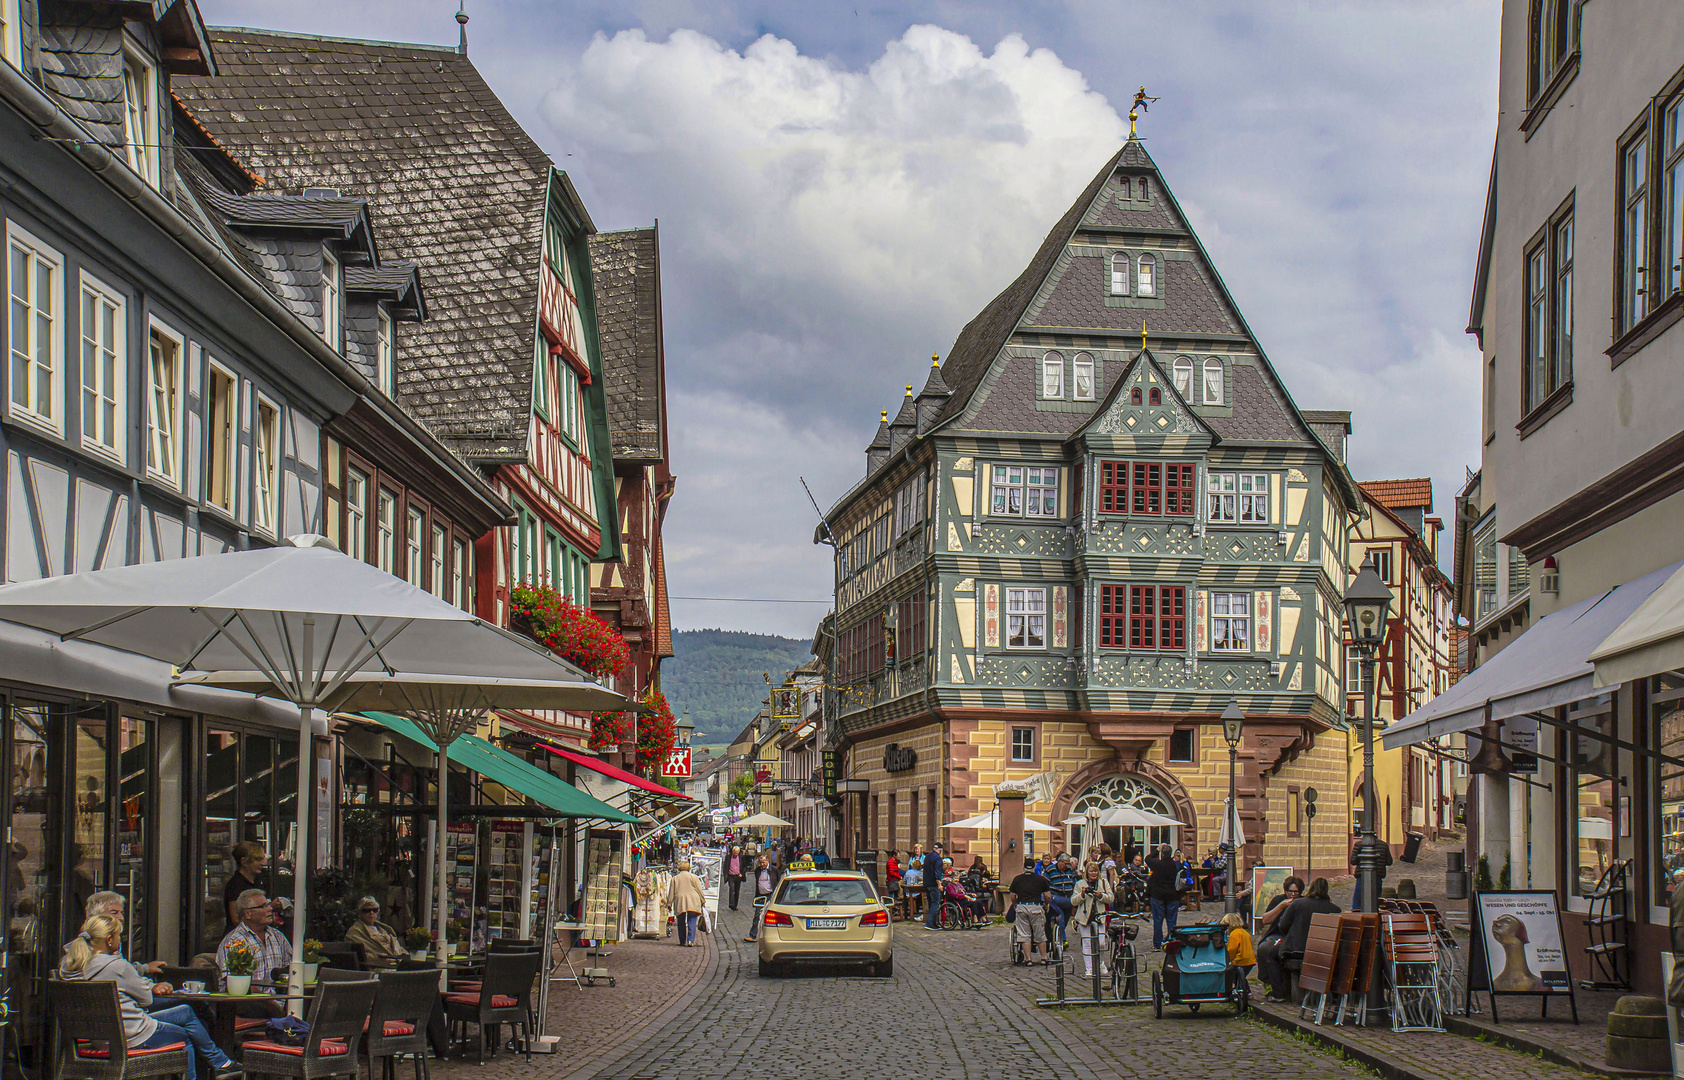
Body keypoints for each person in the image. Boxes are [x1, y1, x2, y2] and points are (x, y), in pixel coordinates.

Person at [61, 914, 243, 1080]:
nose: (120, 940)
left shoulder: (69, 967)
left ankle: (222, 1063)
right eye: (119, 936)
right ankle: (219, 1064)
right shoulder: (117, 966)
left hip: (99, 1039)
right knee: (184, 1036)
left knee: (186, 1011)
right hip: (133, 1035)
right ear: (109, 940)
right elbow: (146, 1000)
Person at [1265, 878, 1340, 1003]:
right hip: (1323, 952)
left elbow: (1282, 925)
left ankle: (1278, 994)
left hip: (1297, 950)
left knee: (1271, 954)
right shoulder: (1335, 909)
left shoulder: (1298, 903)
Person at [82, 891, 167, 976]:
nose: (121, 918)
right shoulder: (90, 946)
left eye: (122, 913)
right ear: (96, 917)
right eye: (114, 913)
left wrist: (144, 968)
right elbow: (117, 971)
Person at [217, 889, 291, 982]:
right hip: (250, 996)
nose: (270, 908)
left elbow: (290, 970)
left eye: (268, 904)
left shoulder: (278, 936)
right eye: (263, 906)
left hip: (279, 995)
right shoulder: (233, 941)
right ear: (248, 914)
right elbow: (228, 980)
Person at [1070, 862, 1114, 978]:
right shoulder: (1080, 884)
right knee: (1087, 942)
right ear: (1086, 873)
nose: (1093, 873)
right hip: (1085, 917)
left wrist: (1101, 896)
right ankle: (1089, 968)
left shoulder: (1103, 883)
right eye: (1091, 871)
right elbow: (1073, 901)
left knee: (1101, 942)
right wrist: (1082, 895)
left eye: (1095, 871)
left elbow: (1111, 898)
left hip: (1099, 916)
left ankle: (1100, 963)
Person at [1008, 858, 1054, 965]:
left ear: (1024, 867)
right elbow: (1047, 895)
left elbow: (1012, 895)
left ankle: (1028, 959)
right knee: (1039, 933)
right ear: (1034, 867)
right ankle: (1043, 957)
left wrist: (1015, 905)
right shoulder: (1041, 879)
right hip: (1036, 907)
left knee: (1024, 934)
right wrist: (1046, 904)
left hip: (1022, 906)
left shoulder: (1017, 879)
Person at [344, 896, 406, 968]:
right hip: (376, 967)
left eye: (374, 910)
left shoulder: (384, 929)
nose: (371, 913)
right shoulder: (355, 932)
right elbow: (361, 956)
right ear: (359, 913)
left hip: (396, 964)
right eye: (367, 910)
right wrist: (382, 960)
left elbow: (397, 947)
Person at [222, 842, 268, 935]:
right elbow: (235, 919)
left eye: (264, 859)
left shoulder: (258, 881)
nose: (263, 863)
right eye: (258, 859)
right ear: (244, 861)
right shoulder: (236, 885)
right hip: (239, 938)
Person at [1144, 845, 1182, 950]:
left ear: (1162, 853)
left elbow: (1147, 859)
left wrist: (1156, 850)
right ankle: (1171, 941)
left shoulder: (1157, 864)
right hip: (1172, 895)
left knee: (1158, 920)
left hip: (1158, 894)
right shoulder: (1176, 865)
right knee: (1171, 921)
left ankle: (1157, 944)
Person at [669, 861, 706, 947]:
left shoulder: (675, 878)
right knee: (692, 920)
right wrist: (703, 900)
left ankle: (682, 940)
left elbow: (671, 892)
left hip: (680, 900)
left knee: (681, 921)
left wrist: (669, 903)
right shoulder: (694, 877)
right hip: (693, 899)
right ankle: (690, 940)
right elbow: (699, 890)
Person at [1045, 853, 1077, 943]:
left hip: (1068, 899)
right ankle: (1062, 940)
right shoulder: (1050, 870)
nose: (1067, 866)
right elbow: (1044, 884)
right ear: (1059, 862)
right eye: (1065, 864)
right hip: (1056, 898)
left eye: (1068, 863)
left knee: (1065, 920)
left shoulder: (1070, 870)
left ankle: (1058, 935)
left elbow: (1074, 883)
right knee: (1061, 920)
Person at [743, 856, 775, 943]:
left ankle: (772, 936)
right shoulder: (757, 870)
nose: (762, 864)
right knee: (757, 915)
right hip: (760, 896)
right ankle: (752, 935)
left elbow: (777, 880)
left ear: (767, 861)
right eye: (761, 863)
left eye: (764, 862)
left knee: (771, 916)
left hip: (771, 896)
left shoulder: (773, 870)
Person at [1221, 912, 1256, 983]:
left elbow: (1232, 949)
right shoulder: (1244, 932)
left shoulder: (1234, 934)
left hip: (1240, 960)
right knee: (1241, 978)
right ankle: (1247, 992)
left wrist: (1228, 961)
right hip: (1250, 960)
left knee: (1232, 975)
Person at [922, 844, 945, 930]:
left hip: (926, 883)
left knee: (931, 903)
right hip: (933, 884)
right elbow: (937, 873)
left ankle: (934, 923)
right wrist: (939, 884)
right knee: (935, 903)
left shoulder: (927, 857)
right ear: (940, 850)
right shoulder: (938, 859)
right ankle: (930, 923)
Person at [723, 845, 746, 912]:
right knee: (732, 889)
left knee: (737, 891)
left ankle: (735, 905)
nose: (736, 854)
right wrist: (725, 875)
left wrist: (742, 873)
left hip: (738, 876)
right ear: (732, 851)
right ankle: (731, 904)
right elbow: (725, 866)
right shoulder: (728, 857)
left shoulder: (741, 857)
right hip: (731, 876)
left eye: (737, 853)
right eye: (735, 853)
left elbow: (744, 866)